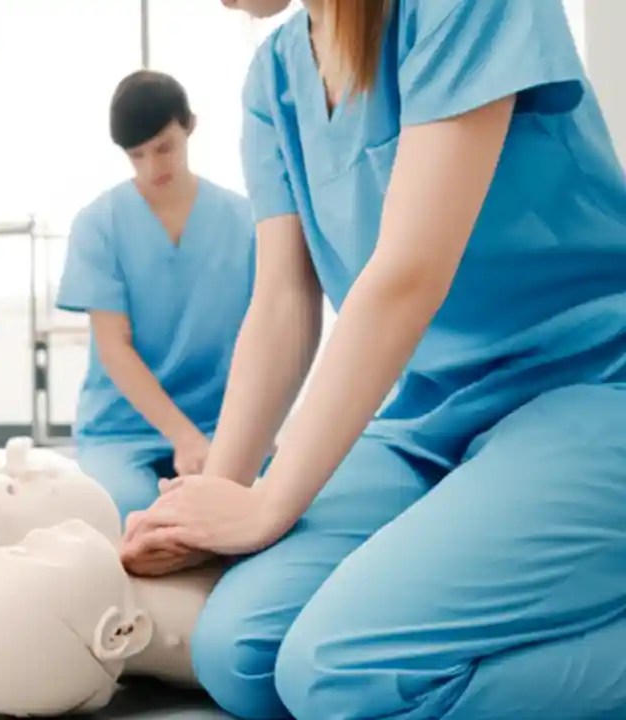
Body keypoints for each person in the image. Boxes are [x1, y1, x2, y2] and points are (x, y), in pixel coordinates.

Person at [121, 1, 626, 718]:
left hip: (594, 388)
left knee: (341, 672)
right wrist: (211, 506)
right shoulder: (275, 80)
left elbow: (407, 275)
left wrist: (270, 503)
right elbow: (282, 307)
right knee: (238, 654)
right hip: (431, 419)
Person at [56, 70, 256, 522]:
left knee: (265, 505)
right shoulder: (99, 224)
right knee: (129, 512)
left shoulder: (245, 222)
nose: (153, 168)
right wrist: (183, 438)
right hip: (120, 429)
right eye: (137, 155)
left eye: (164, 147)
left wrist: (238, 435)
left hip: (223, 425)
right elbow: (114, 347)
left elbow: (270, 331)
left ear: (190, 125)